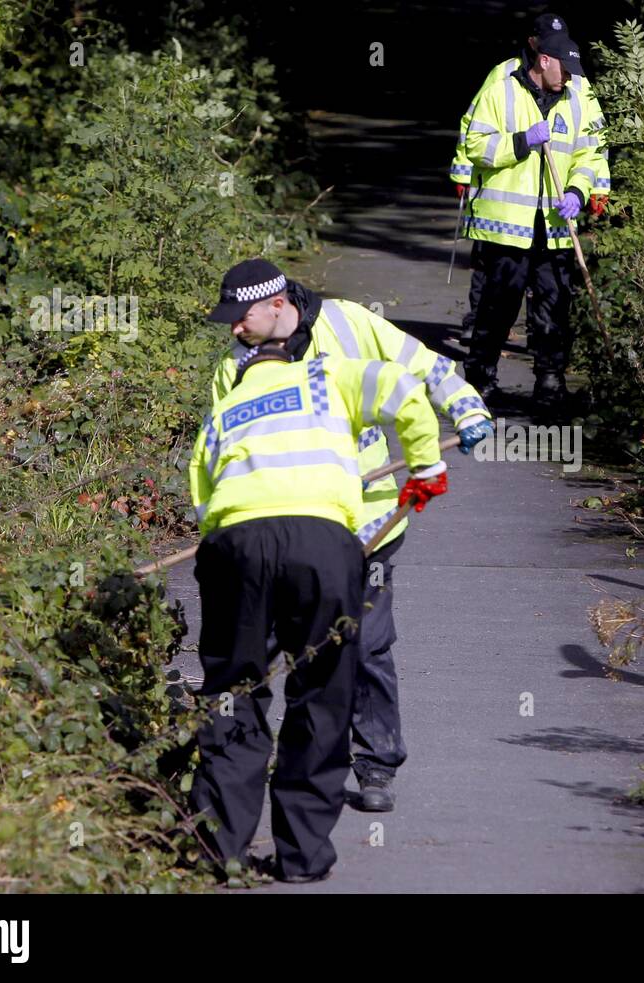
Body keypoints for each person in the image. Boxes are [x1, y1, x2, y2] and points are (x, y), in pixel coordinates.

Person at [204, 259, 493, 813]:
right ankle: (284, 764)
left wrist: (466, 406)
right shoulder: (232, 369)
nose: (234, 330)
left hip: (369, 523)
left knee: (366, 644)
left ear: (278, 305)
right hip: (283, 536)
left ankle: (377, 762)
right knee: (290, 651)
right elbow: (221, 455)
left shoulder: (347, 324)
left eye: (240, 318)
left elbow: (422, 367)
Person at [187, 334, 447, 882]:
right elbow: (404, 386)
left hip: (238, 550)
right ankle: (303, 858)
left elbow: (205, 505)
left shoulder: (223, 413)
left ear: (240, 372)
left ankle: (220, 854)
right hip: (322, 547)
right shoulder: (330, 377)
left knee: (234, 695)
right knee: (322, 693)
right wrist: (424, 468)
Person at [455, 14, 609, 414]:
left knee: (553, 305)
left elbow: (592, 150)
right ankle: (479, 382)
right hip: (506, 225)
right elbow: (476, 144)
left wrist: (578, 190)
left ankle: (550, 386)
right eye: (565, 68)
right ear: (544, 60)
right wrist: (522, 141)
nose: (571, 78)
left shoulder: (579, 92)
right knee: (498, 305)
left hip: (555, 224)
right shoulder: (501, 87)